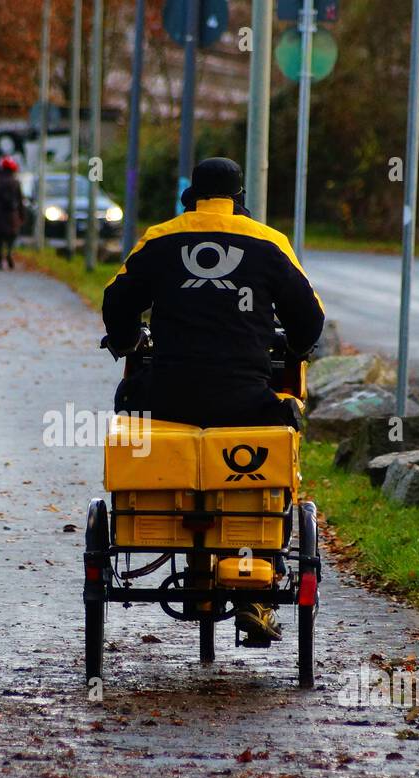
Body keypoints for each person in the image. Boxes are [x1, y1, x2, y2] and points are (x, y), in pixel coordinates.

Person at [101, 156, 325, 644]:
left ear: (191, 196)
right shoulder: (269, 243)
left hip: (166, 399)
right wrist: (296, 345)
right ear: (239, 198)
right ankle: (257, 584)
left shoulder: (160, 238)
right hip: (244, 401)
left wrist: (126, 339)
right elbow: (309, 318)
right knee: (279, 431)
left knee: (130, 398)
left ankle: (150, 520)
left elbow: (116, 301)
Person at [0, 156, 25, 270]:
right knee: (12, 236)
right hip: (12, 215)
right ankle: (9, 252)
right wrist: (22, 214)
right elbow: (20, 200)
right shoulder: (16, 183)